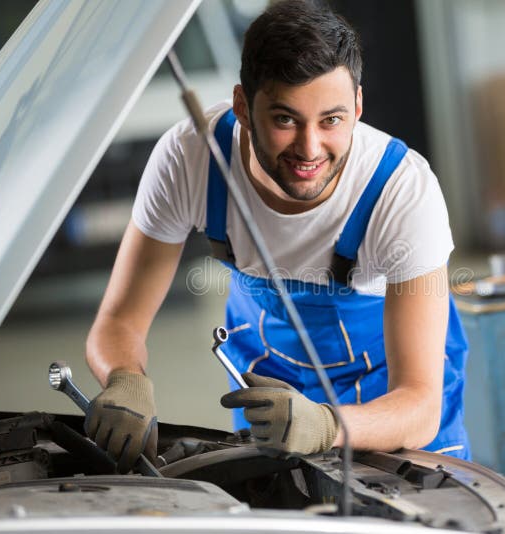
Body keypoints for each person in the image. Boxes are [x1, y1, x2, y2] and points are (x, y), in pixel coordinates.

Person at [84, 0, 469, 474]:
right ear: (243, 106)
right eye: (285, 120)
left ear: (358, 106)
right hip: (276, 398)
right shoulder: (193, 158)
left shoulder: (402, 191)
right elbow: (118, 320)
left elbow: (420, 404)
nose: (310, 149)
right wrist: (124, 379)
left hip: (392, 405)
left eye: (332, 120)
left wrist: (328, 426)